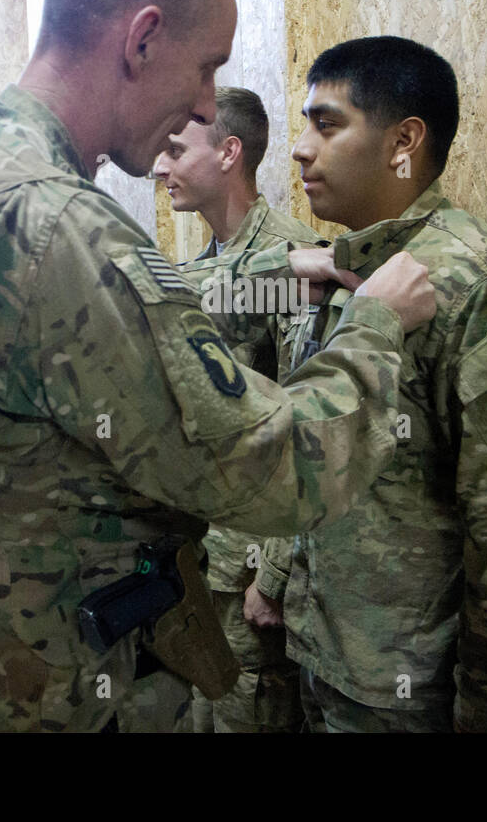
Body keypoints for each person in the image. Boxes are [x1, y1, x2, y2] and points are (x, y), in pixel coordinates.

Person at [0, 0, 435, 733]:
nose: (206, 105)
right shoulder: (62, 229)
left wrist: (266, 271)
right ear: (143, 37)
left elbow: (61, 341)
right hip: (72, 689)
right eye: (206, 68)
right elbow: (272, 472)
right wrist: (376, 326)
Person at [233, 36, 487, 732]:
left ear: (403, 142)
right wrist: (278, 578)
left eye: (326, 124)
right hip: (327, 653)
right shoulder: (332, 271)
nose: (300, 148)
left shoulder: (479, 287)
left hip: (409, 690)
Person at [152, 86, 321, 732]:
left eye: (175, 149)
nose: (160, 167)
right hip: (199, 564)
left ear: (228, 152)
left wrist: (274, 575)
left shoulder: (292, 261)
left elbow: (313, 432)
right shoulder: (210, 267)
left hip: (249, 570)